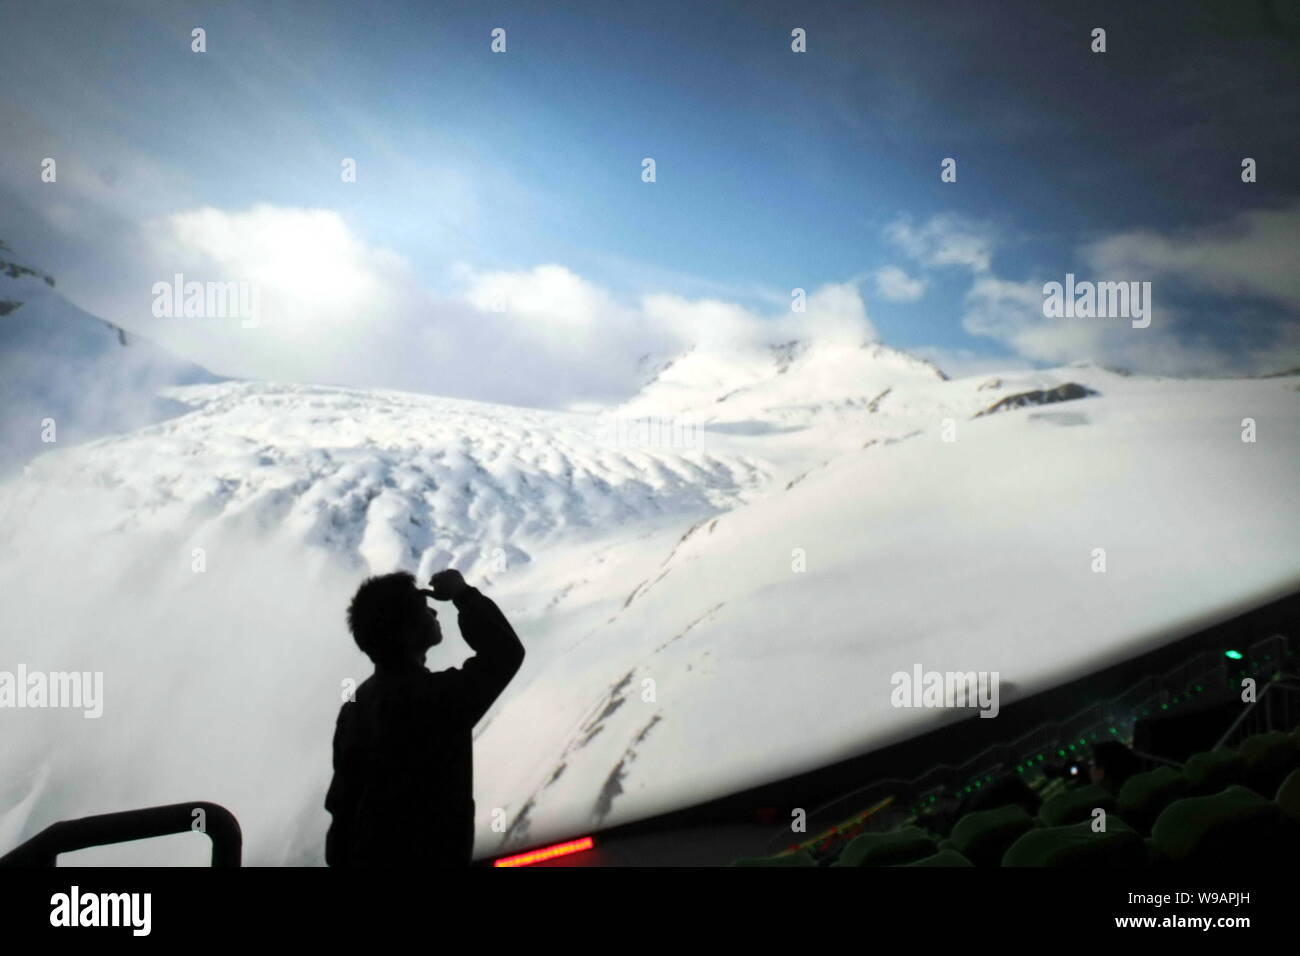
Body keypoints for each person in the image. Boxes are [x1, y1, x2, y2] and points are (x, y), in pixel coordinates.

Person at [325, 568, 524, 866]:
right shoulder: (434, 699)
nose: (433, 609)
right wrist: (463, 594)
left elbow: (342, 808)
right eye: (422, 608)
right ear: (406, 630)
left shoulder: (353, 710)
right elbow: (504, 652)